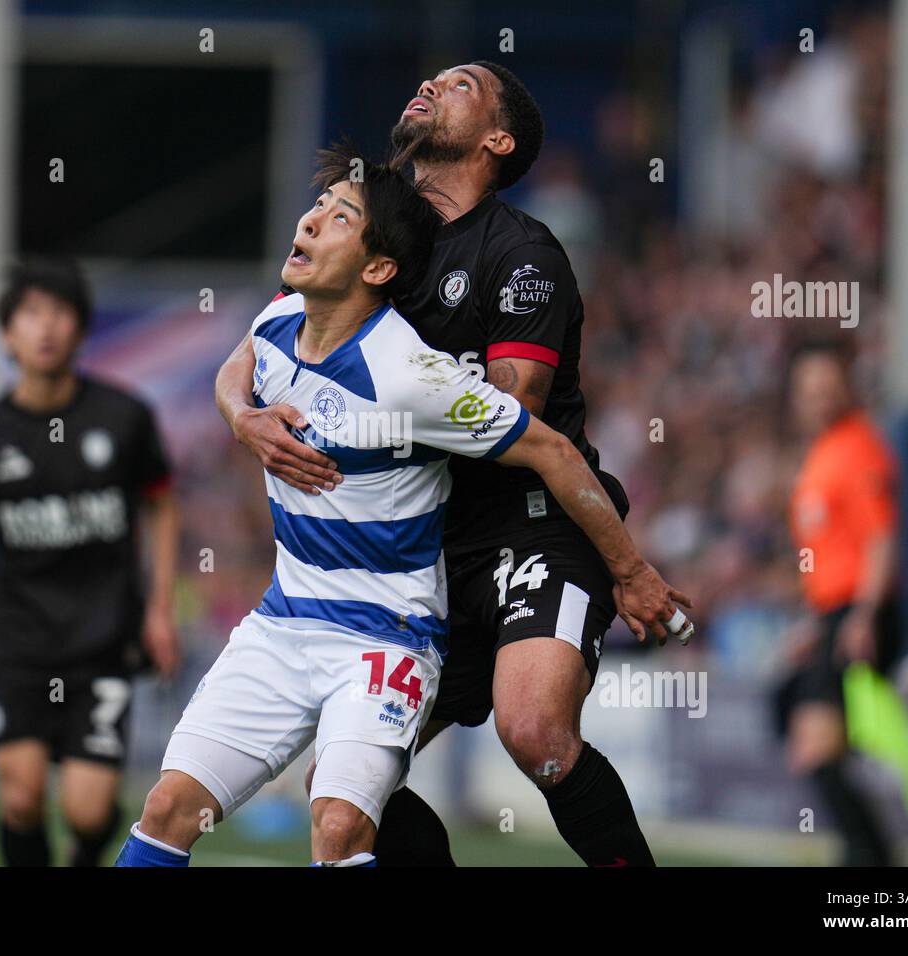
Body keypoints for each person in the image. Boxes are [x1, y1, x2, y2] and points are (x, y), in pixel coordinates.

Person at [117, 145, 680, 868]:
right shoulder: (283, 315)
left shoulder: (410, 376)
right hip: (283, 623)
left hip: (383, 639)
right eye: (317, 207)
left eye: (340, 215)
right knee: (167, 810)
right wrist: (241, 415)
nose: (313, 219)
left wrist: (630, 571)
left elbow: (553, 450)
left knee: (340, 830)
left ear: (379, 268)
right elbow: (243, 358)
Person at [0, 258, 179, 866]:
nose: (47, 328)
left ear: (82, 329)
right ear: (7, 334)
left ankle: (85, 854)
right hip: (20, 640)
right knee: (21, 797)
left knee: (88, 811)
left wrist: (160, 609)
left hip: (103, 639)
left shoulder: (124, 418)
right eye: (31, 314)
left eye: (61, 313)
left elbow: (161, 506)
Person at [776, 342, 900, 866]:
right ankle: (866, 853)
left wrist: (864, 616)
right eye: (810, 388)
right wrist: (815, 619)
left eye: (828, 385)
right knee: (790, 712)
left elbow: (880, 539)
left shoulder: (859, 448)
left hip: (859, 612)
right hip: (831, 615)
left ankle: (870, 858)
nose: (820, 397)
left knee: (816, 747)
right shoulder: (822, 454)